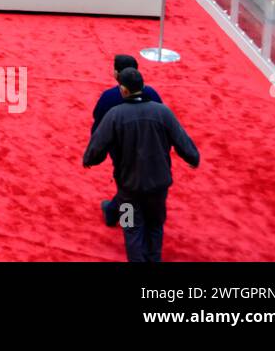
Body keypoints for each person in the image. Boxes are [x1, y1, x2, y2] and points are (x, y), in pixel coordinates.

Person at [83, 66, 199, 262]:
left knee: (131, 229)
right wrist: (192, 158)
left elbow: (98, 144)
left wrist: (90, 160)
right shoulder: (163, 112)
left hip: (128, 188)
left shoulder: (115, 115)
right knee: (155, 225)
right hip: (159, 185)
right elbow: (182, 140)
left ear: (124, 90)